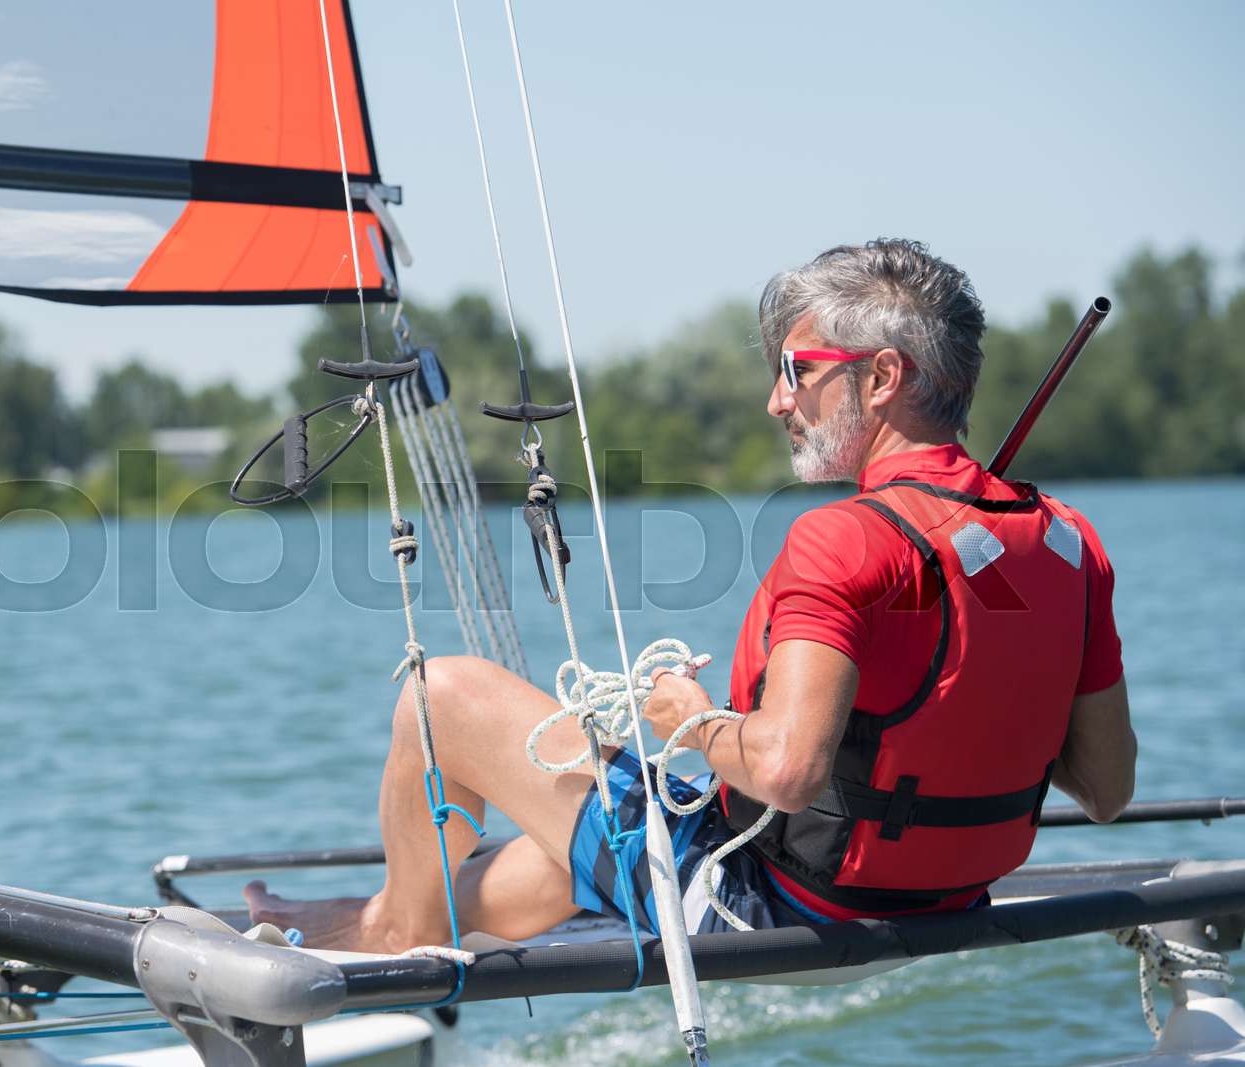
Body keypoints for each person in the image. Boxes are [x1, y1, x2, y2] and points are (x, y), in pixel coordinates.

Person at [244, 238, 1138, 951]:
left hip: (775, 911)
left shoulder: (844, 537)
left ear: (882, 377)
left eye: (796, 370)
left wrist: (690, 718)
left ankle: (395, 925)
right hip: (942, 899)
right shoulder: (1069, 540)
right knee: (578, 837)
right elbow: (1106, 787)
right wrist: (980, 702)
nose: (775, 402)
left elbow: (787, 771)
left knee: (441, 698)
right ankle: (366, 918)